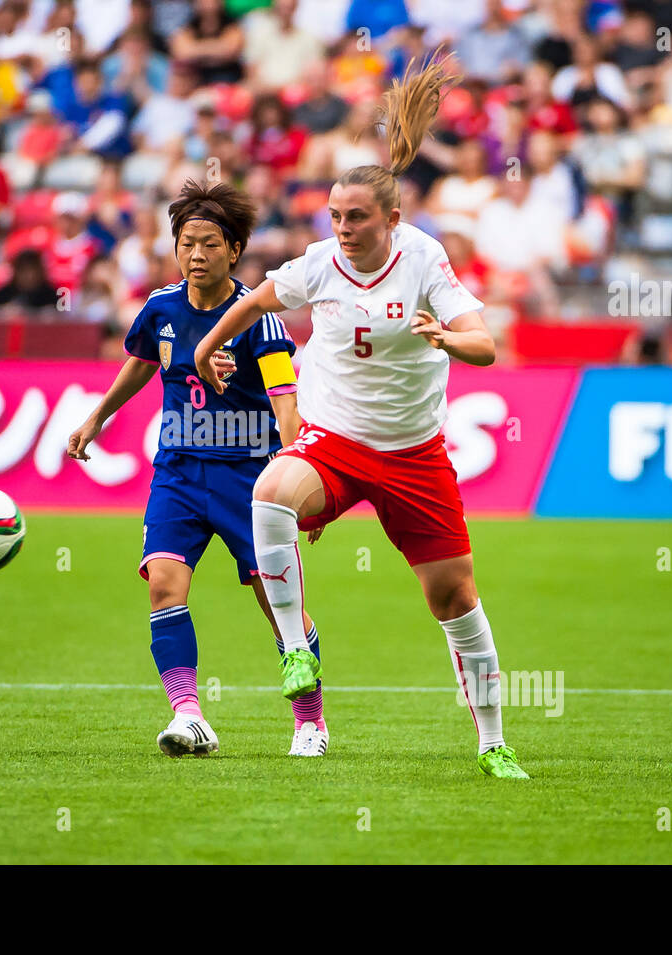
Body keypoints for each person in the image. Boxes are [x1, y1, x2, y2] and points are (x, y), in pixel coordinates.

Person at [193, 58, 530, 779]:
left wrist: (448, 338)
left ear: (393, 221)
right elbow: (253, 302)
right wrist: (207, 348)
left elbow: (487, 344)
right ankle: (295, 650)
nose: (343, 228)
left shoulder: (424, 259)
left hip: (413, 452)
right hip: (336, 440)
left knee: (456, 598)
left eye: (356, 217)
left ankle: (493, 741)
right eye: (335, 216)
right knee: (271, 494)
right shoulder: (319, 262)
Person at [66, 180, 329, 758]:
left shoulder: (261, 320)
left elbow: (287, 404)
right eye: (187, 243)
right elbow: (140, 365)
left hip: (250, 479)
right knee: (163, 582)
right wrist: (97, 419)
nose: (196, 255)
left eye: (210, 244)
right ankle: (188, 716)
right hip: (179, 473)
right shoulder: (160, 308)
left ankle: (309, 720)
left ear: (234, 251)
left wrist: (300, 479)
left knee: (277, 603)